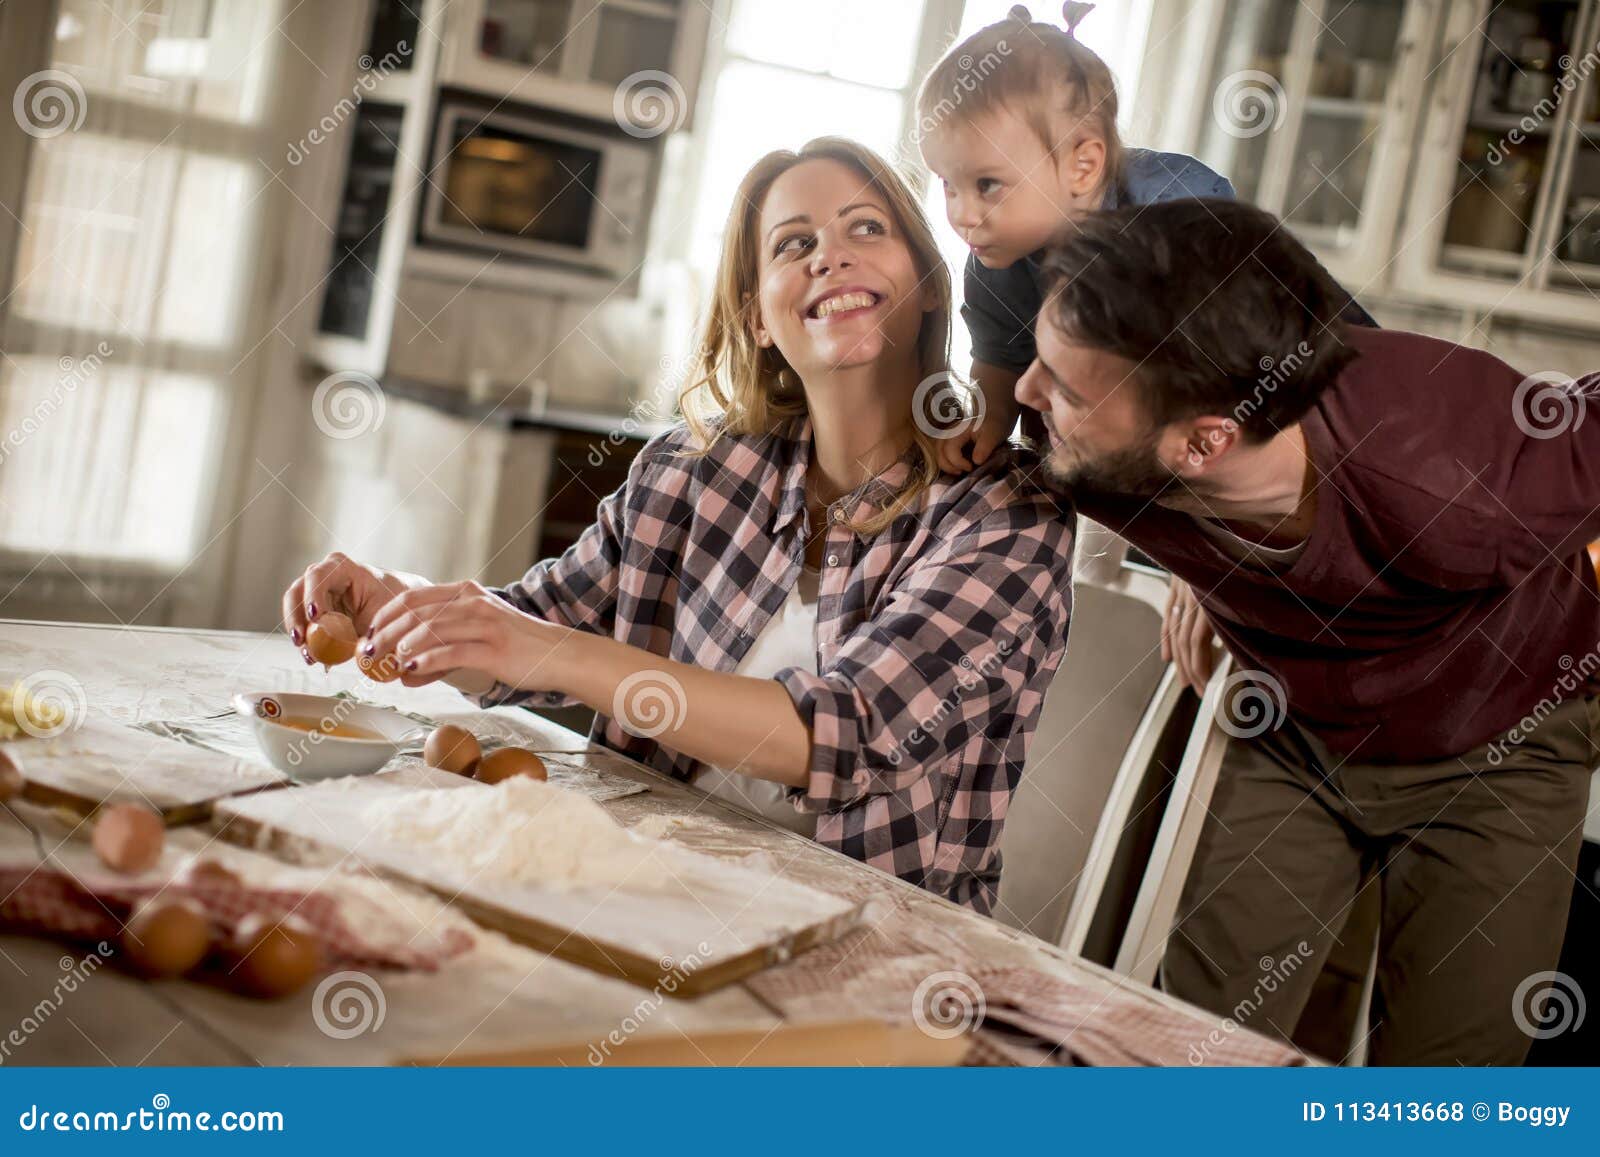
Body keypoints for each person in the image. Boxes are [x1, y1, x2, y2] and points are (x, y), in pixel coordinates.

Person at [282, 138, 1074, 913]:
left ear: (930, 284)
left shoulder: (1006, 516)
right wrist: (399, 601)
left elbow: (848, 733)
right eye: (794, 244)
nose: (828, 255)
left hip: (873, 957)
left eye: (866, 228)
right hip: (631, 896)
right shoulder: (691, 471)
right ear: (759, 317)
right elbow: (530, 626)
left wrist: (543, 648)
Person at [1016, 195, 1600, 1064]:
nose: (1029, 393)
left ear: (1204, 443)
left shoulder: (1463, 484)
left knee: (1450, 1091)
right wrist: (1203, 564)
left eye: (1062, 387)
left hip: (1504, 746)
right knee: (1195, 1044)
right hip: (1300, 729)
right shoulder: (1087, 441)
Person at [917, 2, 1374, 473]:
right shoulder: (996, 262)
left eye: (986, 185)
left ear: (1083, 165)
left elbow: (1250, 330)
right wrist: (987, 421)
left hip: (1323, 375)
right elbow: (1001, 357)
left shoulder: (1171, 204)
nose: (962, 214)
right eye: (948, 185)